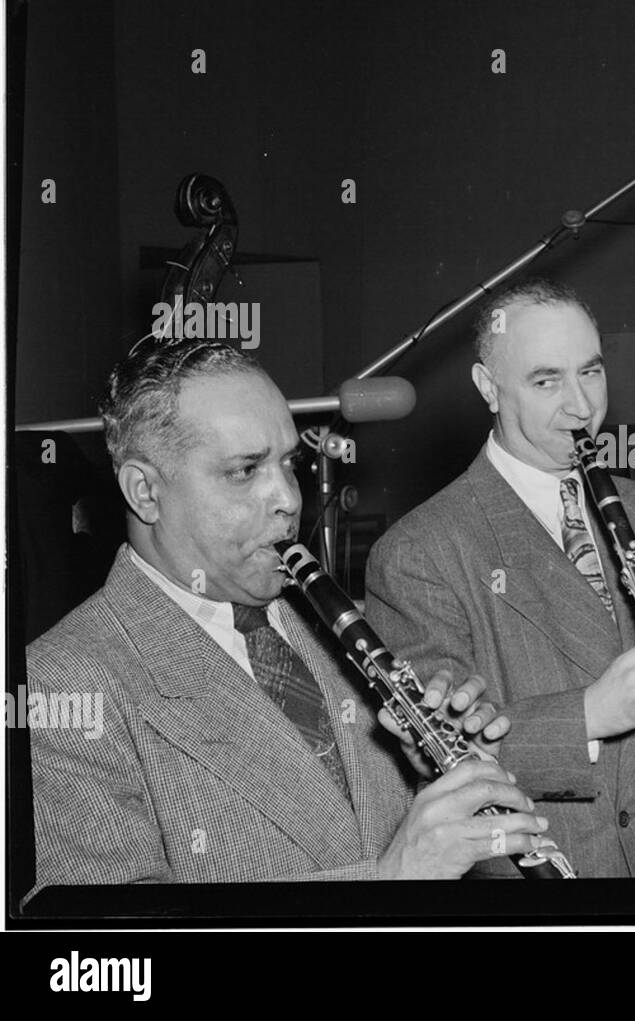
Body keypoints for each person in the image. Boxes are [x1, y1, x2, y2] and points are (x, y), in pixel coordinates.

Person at [24, 339, 551, 893]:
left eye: (287, 464)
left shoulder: (332, 623)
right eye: (244, 471)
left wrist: (431, 777)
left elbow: (365, 827)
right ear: (146, 492)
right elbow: (115, 949)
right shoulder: (63, 682)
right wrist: (394, 877)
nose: (287, 499)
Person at [365, 278, 635, 878]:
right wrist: (591, 714)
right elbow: (434, 751)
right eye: (546, 380)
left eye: (592, 372)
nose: (581, 407)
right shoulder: (420, 549)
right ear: (487, 388)